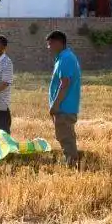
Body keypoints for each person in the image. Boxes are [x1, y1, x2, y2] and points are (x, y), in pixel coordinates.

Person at [46, 30, 81, 167]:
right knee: (66, 136)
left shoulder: (65, 58)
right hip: (66, 106)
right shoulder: (64, 57)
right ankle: (71, 162)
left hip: (64, 107)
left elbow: (64, 83)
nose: (49, 48)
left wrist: (55, 105)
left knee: (65, 137)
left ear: (59, 42)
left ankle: (72, 164)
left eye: (50, 44)